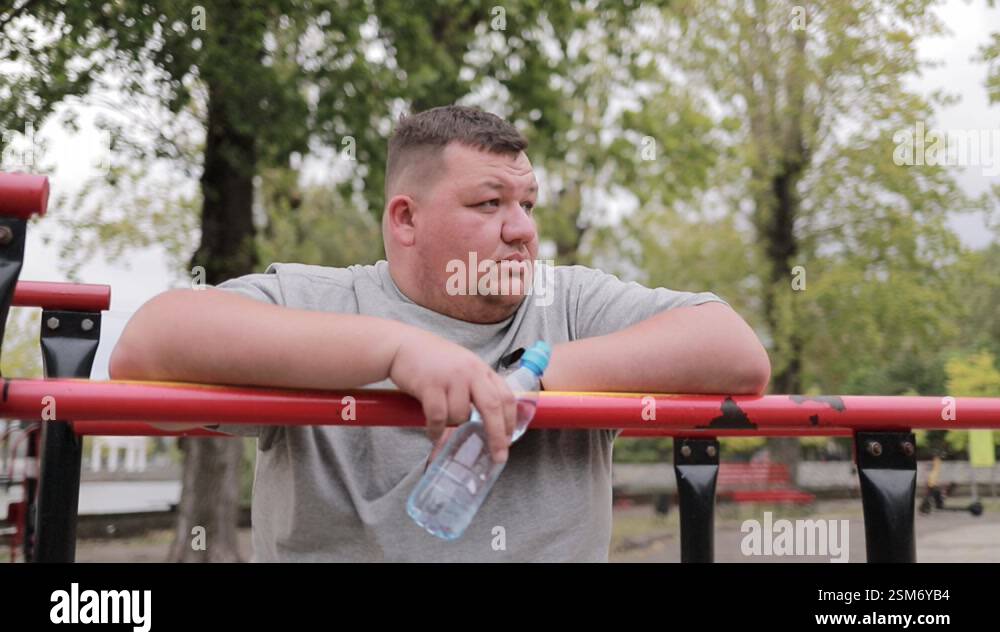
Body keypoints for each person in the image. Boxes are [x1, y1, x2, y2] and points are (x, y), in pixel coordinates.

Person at [110, 105, 771, 561]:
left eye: (528, 204)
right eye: (490, 204)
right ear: (406, 219)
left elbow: (736, 352)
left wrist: (527, 375)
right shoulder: (320, 301)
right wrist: (397, 353)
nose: (522, 229)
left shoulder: (567, 299)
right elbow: (146, 347)